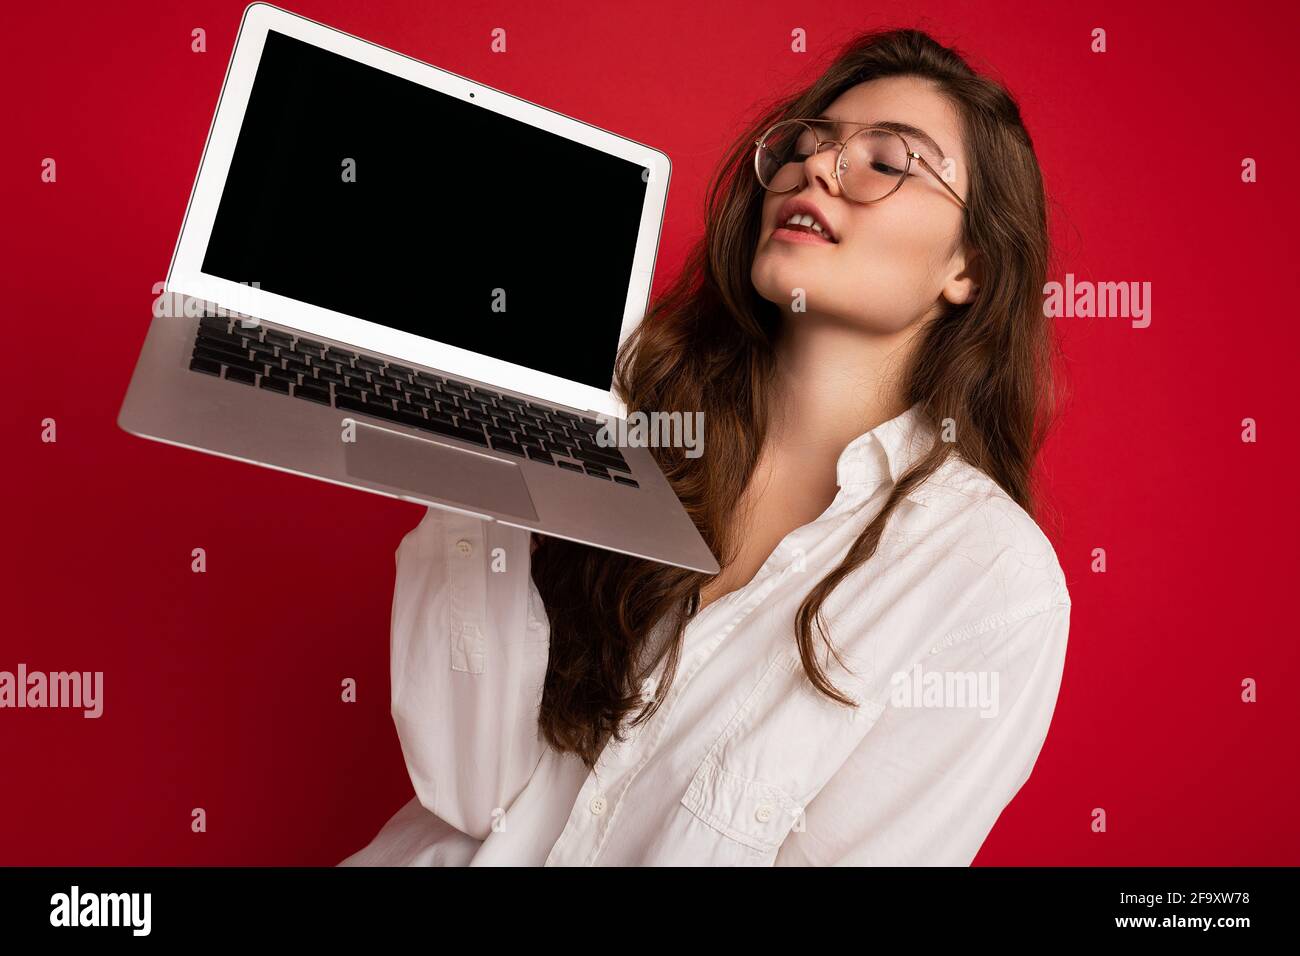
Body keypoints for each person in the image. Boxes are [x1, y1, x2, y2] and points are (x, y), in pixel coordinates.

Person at [340, 26, 1071, 866]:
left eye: (887, 161)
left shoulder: (988, 582)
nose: (816, 169)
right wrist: (490, 435)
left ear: (969, 266)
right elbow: (470, 786)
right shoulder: (621, 409)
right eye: (806, 144)